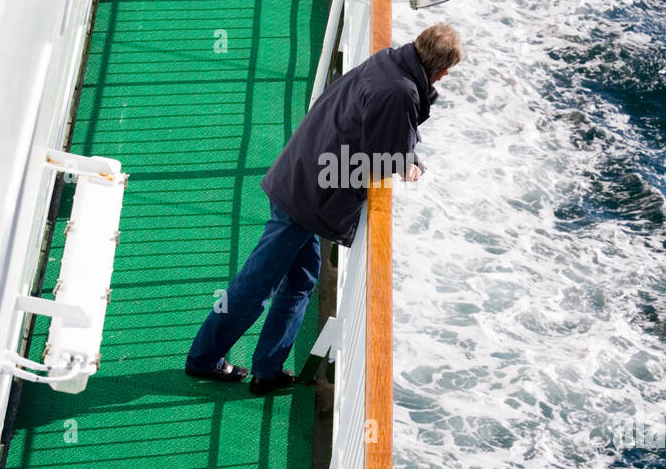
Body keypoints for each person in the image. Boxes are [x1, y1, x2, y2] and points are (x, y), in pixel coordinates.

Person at [185, 21, 464, 395]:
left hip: (302, 174)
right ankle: (204, 358)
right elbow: (386, 155)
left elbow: (382, 133)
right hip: (308, 197)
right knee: (256, 284)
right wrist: (409, 164)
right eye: (448, 71)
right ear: (441, 69)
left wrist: (404, 154)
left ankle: (268, 370)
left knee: (300, 280)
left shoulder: (389, 61)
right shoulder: (399, 91)